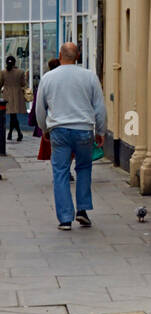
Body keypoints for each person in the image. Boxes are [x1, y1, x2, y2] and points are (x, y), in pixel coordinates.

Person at [36, 42, 107, 232]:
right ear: (77, 56)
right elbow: (99, 107)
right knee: (84, 168)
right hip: (83, 128)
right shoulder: (89, 76)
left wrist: (44, 129)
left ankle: (65, 218)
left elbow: (40, 108)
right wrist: (100, 131)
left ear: (60, 55)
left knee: (60, 172)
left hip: (59, 129)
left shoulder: (48, 78)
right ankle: (82, 210)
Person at [0, 56, 26, 141]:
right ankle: (17, 133)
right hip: (18, 95)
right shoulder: (21, 72)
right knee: (13, 115)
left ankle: (12, 133)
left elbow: (0, 83)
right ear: (15, 62)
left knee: (12, 115)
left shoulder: (3, 72)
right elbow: (23, 84)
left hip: (7, 96)